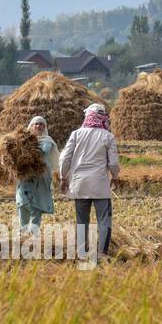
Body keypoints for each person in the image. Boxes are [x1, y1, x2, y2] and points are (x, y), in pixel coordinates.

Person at [60, 102, 120, 260]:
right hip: (100, 184)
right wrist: (115, 176)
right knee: (104, 220)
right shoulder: (108, 136)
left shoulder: (76, 134)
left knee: (82, 220)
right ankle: (102, 253)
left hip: (79, 184)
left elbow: (65, 158)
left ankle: (81, 252)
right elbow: (113, 163)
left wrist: (62, 177)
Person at [16, 115, 58, 236]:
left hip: (41, 176)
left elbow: (41, 152)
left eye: (41, 124)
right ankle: (23, 232)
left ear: (44, 127)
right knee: (22, 202)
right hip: (25, 175)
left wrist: (26, 150)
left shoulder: (47, 141)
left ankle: (34, 233)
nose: (39, 126)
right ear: (32, 126)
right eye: (36, 124)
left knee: (37, 204)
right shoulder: (23, 140)